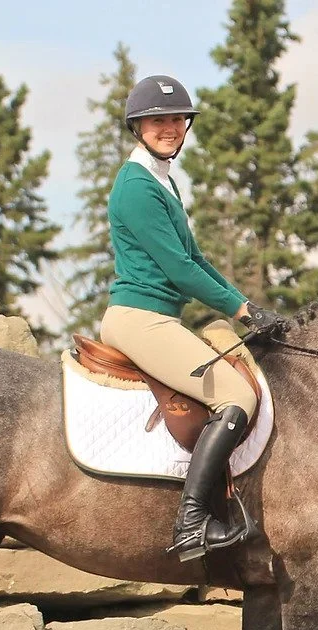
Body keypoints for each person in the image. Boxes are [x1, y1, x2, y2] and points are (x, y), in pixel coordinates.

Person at [98, 74, 289, 562]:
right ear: (138, 126)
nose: (169, 128)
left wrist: (246, 305)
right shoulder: (136, 187)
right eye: (157, 120)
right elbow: (178, 269)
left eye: (176, 119)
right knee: (238, 393)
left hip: (159, 317)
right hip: (140, 318)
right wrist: (241, 309)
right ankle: (191, 523)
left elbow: (195, 257)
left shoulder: (162, 182)